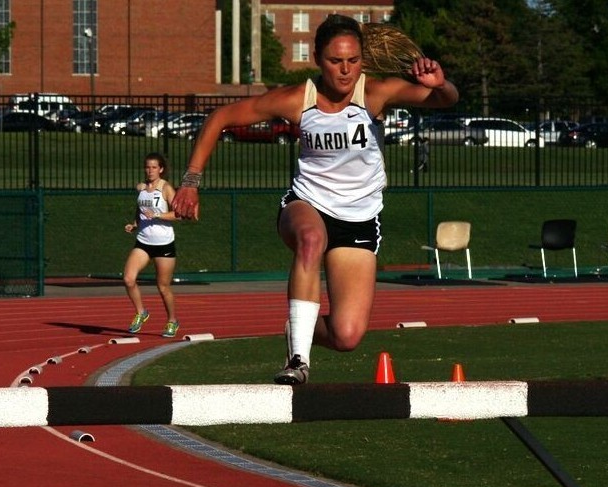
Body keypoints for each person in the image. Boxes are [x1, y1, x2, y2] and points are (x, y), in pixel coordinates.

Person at [172, 14, 458, 384]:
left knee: (347, 335)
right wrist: (190, 182)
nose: (345, 71)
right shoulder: (298, 99)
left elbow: (444, 99)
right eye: (335, 61)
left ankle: (298, 326)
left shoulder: (375, 93)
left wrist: (441, 82)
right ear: (317, 59)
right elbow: (222, 117)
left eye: (353, 61)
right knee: (311, 239)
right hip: (307, 205)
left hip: (358, 220)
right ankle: (297, 361)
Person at [123, 152, 181, 338]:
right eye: (147, 167)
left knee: (163, 286)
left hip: (163, 243)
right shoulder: (141, 188)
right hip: (143, 241)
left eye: (154, 167)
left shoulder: (166, 188)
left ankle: (172, 321)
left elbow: (178, 215)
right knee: (128, 279)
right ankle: (141, 312)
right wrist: (134, 224)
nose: (150, 170)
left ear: (161, 169)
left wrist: (156, 215)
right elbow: (140, 210)